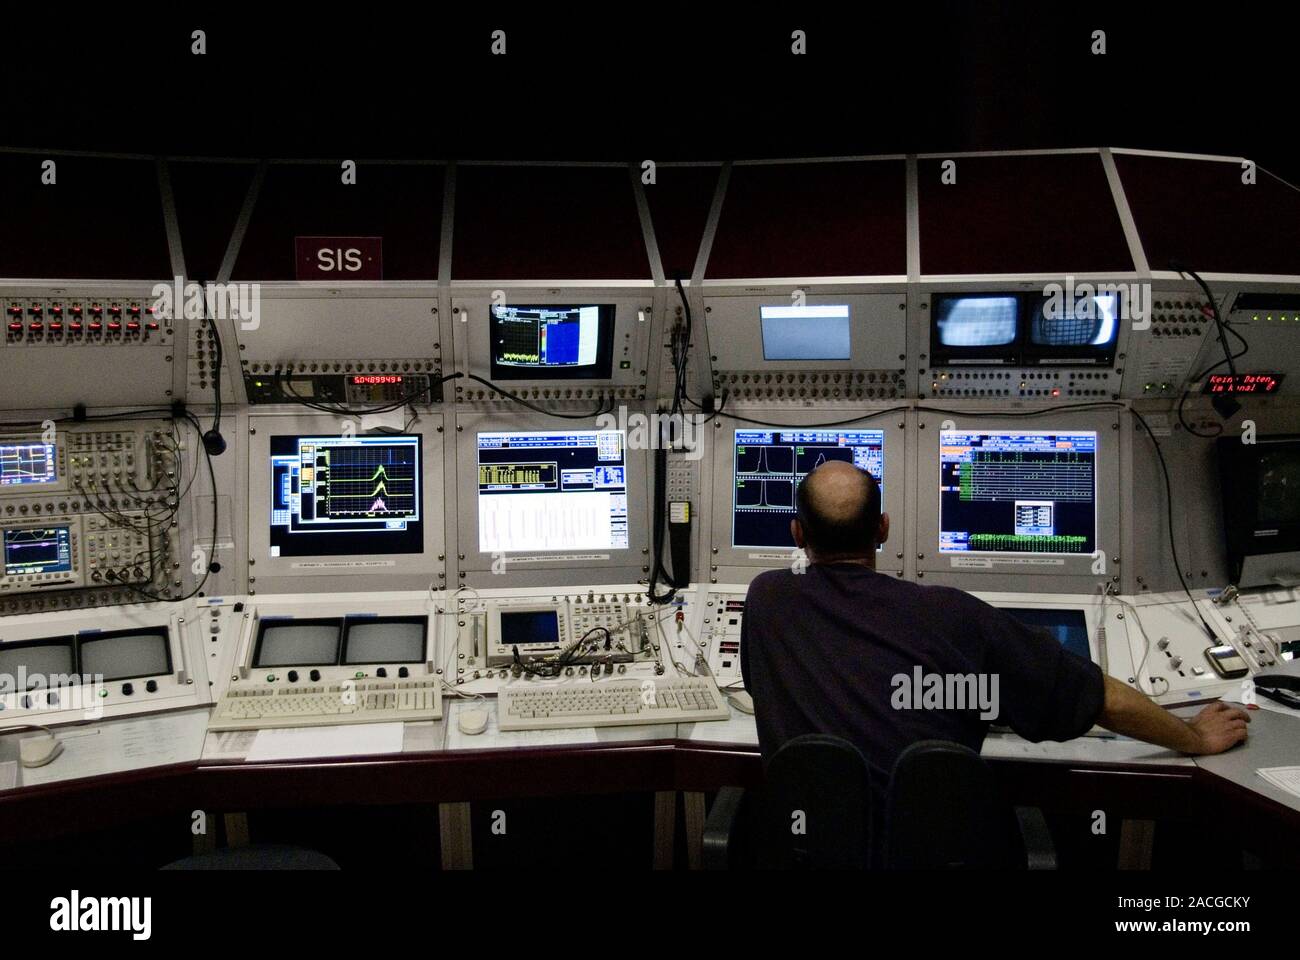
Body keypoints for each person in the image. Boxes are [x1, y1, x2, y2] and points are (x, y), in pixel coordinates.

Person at [739, 461, 1251, 797]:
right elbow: (1101, 700)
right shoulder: (953, 616)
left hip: (806, 852)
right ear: (884, 528)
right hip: (934, 852)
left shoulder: (766, 601)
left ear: (797, 533)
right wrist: (1193, 737)